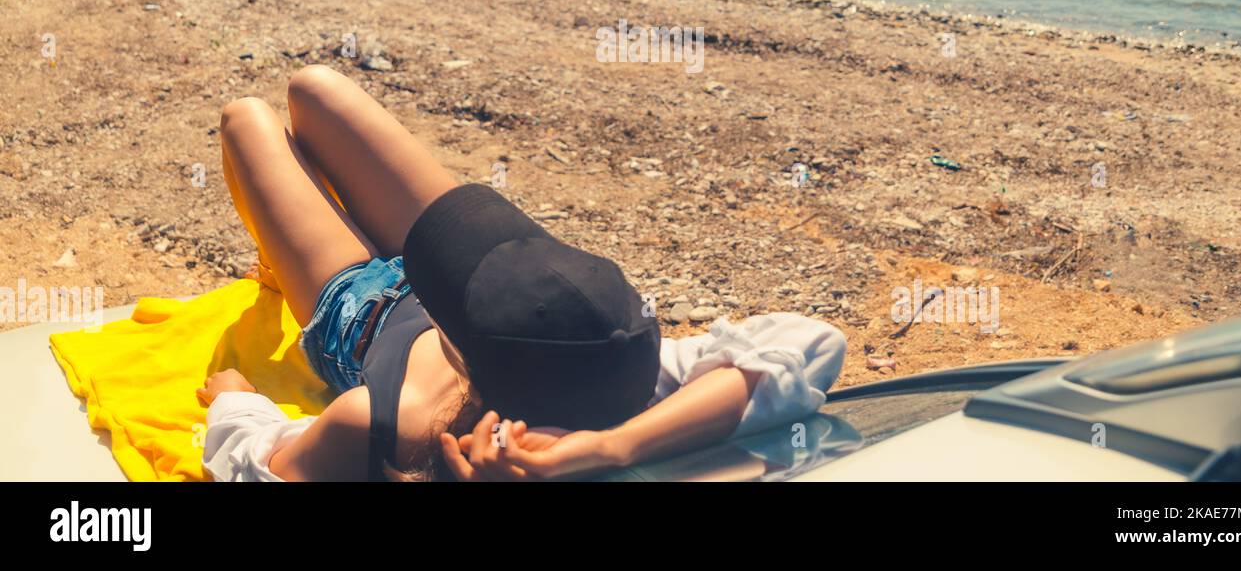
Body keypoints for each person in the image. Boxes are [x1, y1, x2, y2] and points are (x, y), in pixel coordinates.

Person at [199, 65, 846, 481]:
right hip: (497, 276)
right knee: (313, 90)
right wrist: (614, 447)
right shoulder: (611, 379)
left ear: (474, 373)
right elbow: (811, 344)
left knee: (246, 118)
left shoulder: (386, 426)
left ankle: (277, 259)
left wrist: (235, 397)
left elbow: (261, 463)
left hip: (359, 312)